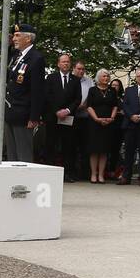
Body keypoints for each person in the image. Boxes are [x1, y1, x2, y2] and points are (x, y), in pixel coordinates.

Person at [3, 24, 46, 163]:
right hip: (11, 110)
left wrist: (34, 117)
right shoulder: (16, 56)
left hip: (23, 113)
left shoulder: (36, 58)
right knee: (12, 154)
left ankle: (24, 184)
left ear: (28, 38)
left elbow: (37, 90)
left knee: (23, 154)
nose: (13, 38)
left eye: (17, 35)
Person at [43, 53, 83, 183]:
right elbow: (47, 96)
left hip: (68, 117)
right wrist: (57, 111)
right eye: (63, 61)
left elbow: (78, 99)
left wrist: (67, 110)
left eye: (68, 62)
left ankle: (68, 173)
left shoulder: (75, 80)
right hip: (53, 117)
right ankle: (49, 172)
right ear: (58, 64)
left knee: (68, 146)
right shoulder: (50, 78)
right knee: (51, 144)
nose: (66, 63)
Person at [84, 69, 120, 183]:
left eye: (108, 76)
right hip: (94, 123)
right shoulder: (92, 90)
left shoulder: (112, 90)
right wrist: (96, 119)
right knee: (94, 150)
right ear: (98, 78)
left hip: (108, 123)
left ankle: (101, 175)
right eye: (104, 76)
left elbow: (115, 106)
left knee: (104, 150)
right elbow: (89, 106)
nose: (106, 78)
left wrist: (112, 118)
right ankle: (93, 174)